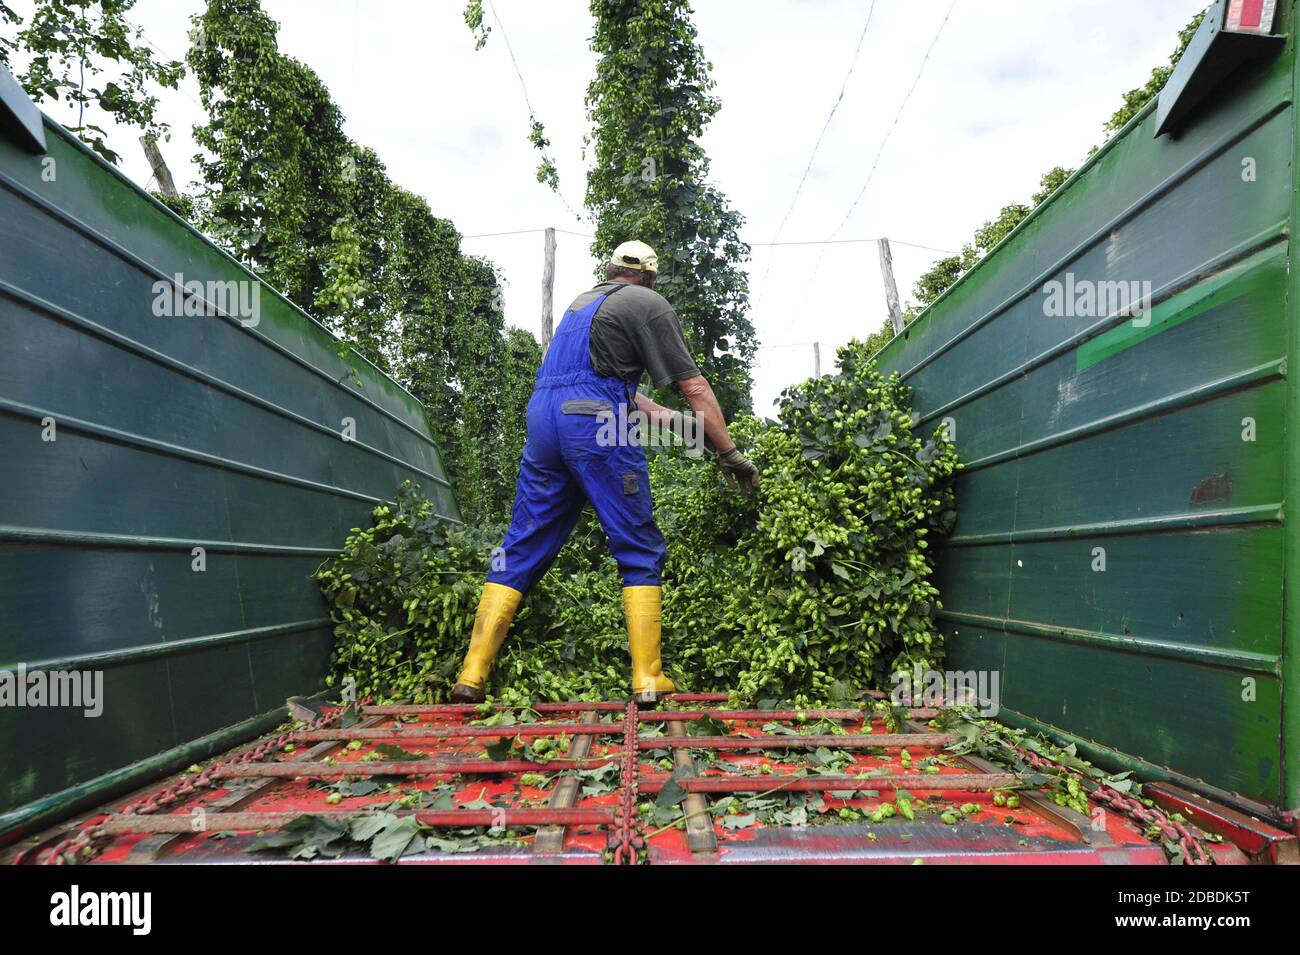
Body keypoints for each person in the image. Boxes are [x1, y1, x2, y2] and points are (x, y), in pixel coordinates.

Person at [450, 240, 759, 703]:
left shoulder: (578, 308)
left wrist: (693, 433)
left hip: (544, 423)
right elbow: (693, 386)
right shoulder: (647, 303)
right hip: (596, 425)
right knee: (637, 541)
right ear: (650, 278)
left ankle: (471, 674)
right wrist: (730, 451)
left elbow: (622, 397)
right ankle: (648, 679)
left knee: (523, 540)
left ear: (610, 270)